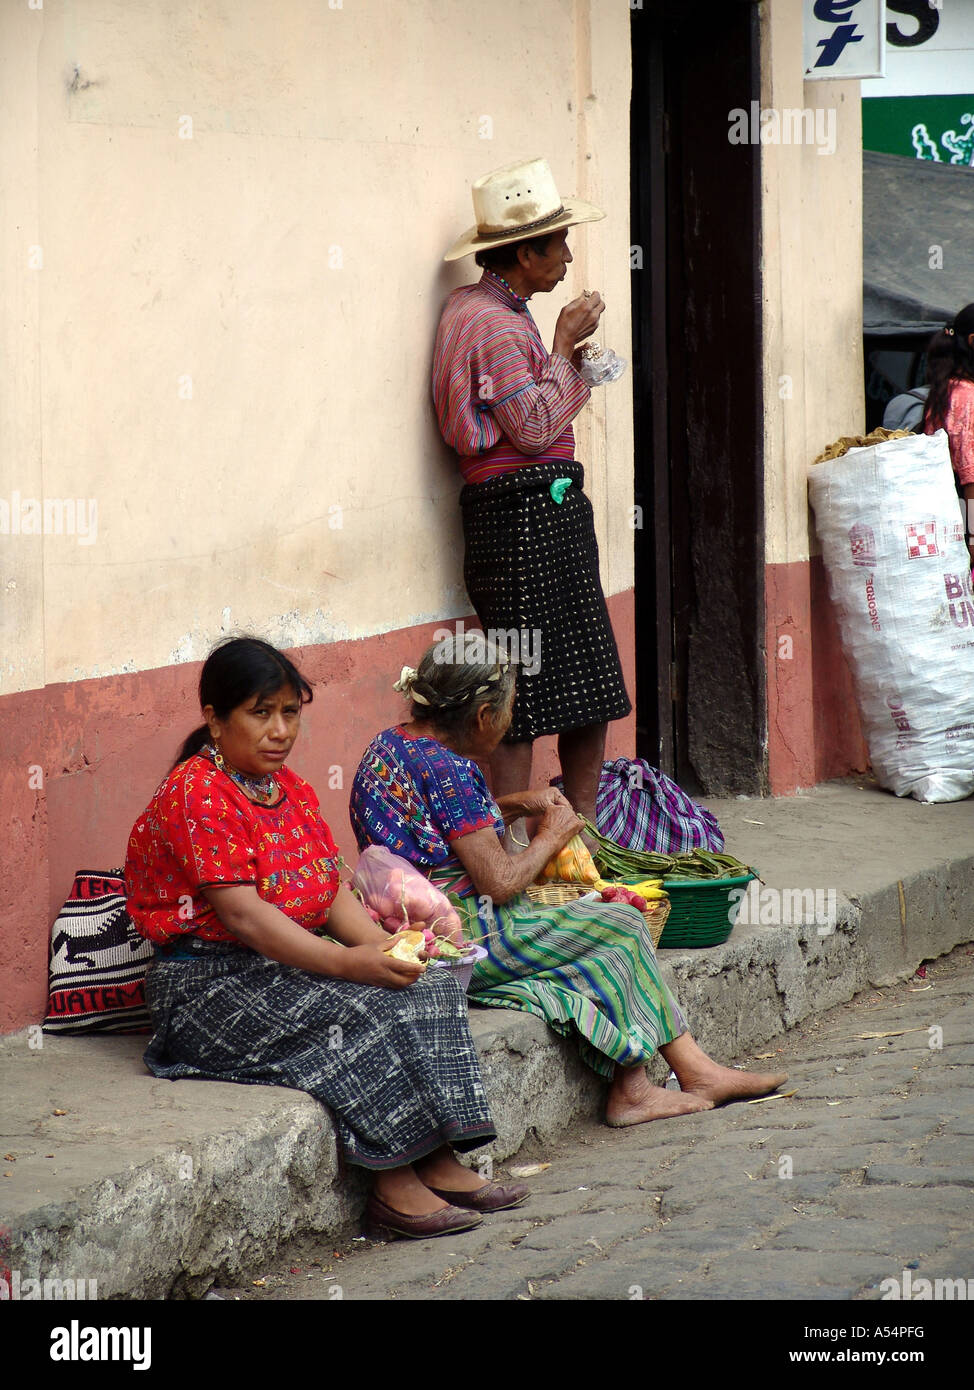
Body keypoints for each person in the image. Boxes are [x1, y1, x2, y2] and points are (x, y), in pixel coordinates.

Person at [124, 636, 528, 1241]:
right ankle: (393, 1186)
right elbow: (245, 919)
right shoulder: (197, 792)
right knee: (360, 1010)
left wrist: (387, 949)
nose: (280, 730)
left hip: (279, 966)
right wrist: (351, 966)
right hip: (206, 988)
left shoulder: (291, 789)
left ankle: (439, 1159)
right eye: (261, 713)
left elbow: (330, 891)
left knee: (428, 985)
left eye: (290, 713)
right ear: (214, 717)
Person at [350, 637, 788, 1126]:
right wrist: (552, 836)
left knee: (591, 941)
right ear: (483, 716)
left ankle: (653, 1083)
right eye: (510, 710)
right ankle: (672, 1078)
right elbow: (499, 883)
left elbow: (446, 828)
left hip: (407, 927)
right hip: (462, 937)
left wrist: (518, 802)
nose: (511, 721)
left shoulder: (389, 745)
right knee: (619, 923)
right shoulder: (451, 770)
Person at [432, 156, 631, 831]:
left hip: (529, 514)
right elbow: (536, 424)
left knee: (578, 684)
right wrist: (566, 345)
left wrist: (563, 356)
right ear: (523, 252)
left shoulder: (488, 312)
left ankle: (572, 834)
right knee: (530, 686)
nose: (568, 258)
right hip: (523, 517)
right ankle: (522, 843)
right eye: (557, 244)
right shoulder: (493, 322)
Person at [922, 302, 974, 565]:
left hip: (947, 526)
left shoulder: (944, 391)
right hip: (966, 527)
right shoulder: (968, 397)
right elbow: (971, 476)